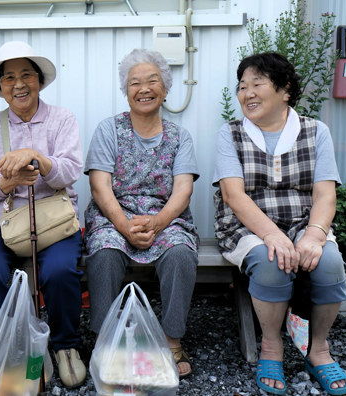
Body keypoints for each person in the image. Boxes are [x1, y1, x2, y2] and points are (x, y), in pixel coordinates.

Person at [213, 52, 346, 395]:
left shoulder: (316, 131)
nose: (247, 93)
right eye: (242, 86)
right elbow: (234, 195)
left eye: (257, 84)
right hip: (245, 226)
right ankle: (271, 346)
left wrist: (315, 235)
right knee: (270, 259)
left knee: (330, 262)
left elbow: (325, 195)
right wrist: (272, 235)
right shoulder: (230, 134)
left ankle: (318, 349)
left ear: (285, 90)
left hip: (303, 224)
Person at [0, 41, 85, 395]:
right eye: (9, 77)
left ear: (40, 81)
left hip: (55, 216)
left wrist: (37, 159)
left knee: (61, 271)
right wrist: (9, 181)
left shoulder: (62, 118)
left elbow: (71, 170)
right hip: (5, 217)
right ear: (0, 87)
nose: (19, 84)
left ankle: (65, 345)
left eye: (27, 74)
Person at [83, 48, 199, 378]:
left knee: (180, 253)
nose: (144, 89)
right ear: (126, 90)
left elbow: (183, 190)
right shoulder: (109, 129)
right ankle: (106, 342)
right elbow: (99, 187)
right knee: (104, 252)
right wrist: (123, 224)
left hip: (165, 217)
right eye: (135, 83)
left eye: (152, 81)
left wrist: (159, 222)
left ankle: (171, 339)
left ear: (165, 88)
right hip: (114, 215)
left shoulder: (180, 136)